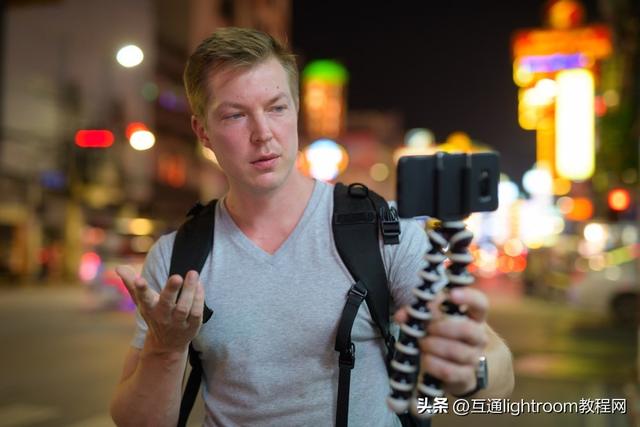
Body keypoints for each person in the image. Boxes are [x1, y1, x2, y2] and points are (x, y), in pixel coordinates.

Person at [110, 27, 514, 427]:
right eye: (235, 115)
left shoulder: (382, 230)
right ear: (203, 132)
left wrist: (470, 366)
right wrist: (165, 350)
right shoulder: (178, 257)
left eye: (276, 108)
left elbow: (497, 374)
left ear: (297, 109)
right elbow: (136, 421)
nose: (263, 133)